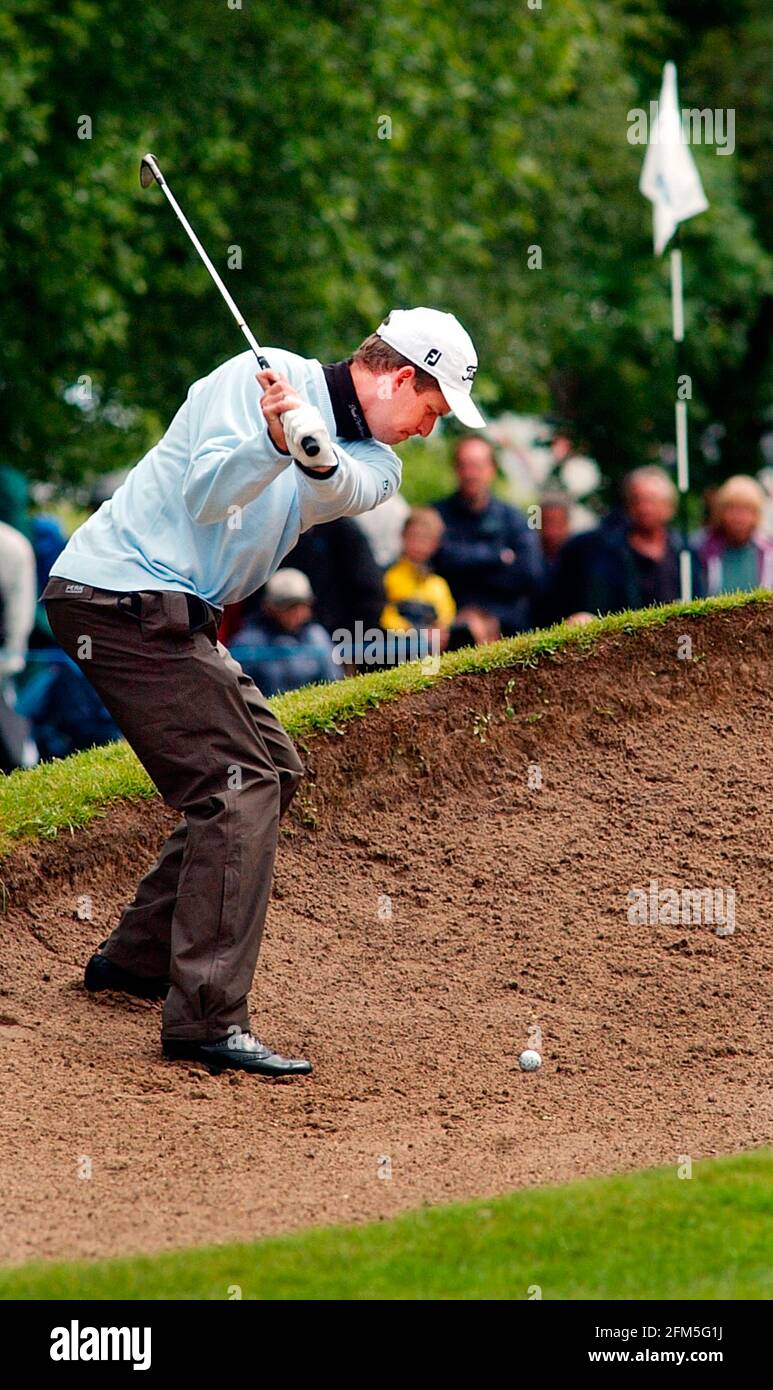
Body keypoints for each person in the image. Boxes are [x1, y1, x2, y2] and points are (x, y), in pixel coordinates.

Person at [42, 305, 485, 1078]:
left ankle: (137, 961)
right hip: (115, 597)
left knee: (273, 769)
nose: (427, 429)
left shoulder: (381, 465)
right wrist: (268, 439)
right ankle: (205, 1019)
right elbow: (210, 493)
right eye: (430, 408)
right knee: (237, 786)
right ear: (402, 377)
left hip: (172, 615)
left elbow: (341, 481)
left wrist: (303, 449)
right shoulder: (255, 374)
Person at [552, 466, 701, 621]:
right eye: (638, 500)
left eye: (652, 501)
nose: (645, 508)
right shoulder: (598, 550)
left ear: (669, 507)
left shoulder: (685, 553)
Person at [433, 435, 543, 635]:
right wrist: (497, 557)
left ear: (492, 469)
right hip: (448, 624)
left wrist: (465, 565)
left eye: (477, 465)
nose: (470, 473)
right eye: (464, 465)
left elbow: (529, 573)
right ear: (455, 469)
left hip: (505, 626)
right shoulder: (436, 516)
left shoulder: (514, 519)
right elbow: (437, 562)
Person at [228, 568, 341, 695]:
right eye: (289, 606)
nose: (296, 613)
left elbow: (333, 682)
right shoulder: (248, 642)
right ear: (269, 607)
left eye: (301, 605)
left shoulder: (317, 636)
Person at [381, 508, 456, 649]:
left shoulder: (438, 585)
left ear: (435, 544)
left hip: (431, 646)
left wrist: (438, 630)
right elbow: (384, 614)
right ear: (403, 536)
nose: (419, 544)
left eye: (426, 538)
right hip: (397, 646)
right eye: (414, 536)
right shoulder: (389, 576)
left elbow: (446, 617)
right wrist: (412, 632)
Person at [698, 475, 773, 594]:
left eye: (746, 509)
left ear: (756, 514)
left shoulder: (768, 553)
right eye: (732, 508)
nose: (738, 517)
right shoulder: (703, 550)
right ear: (721, 512)